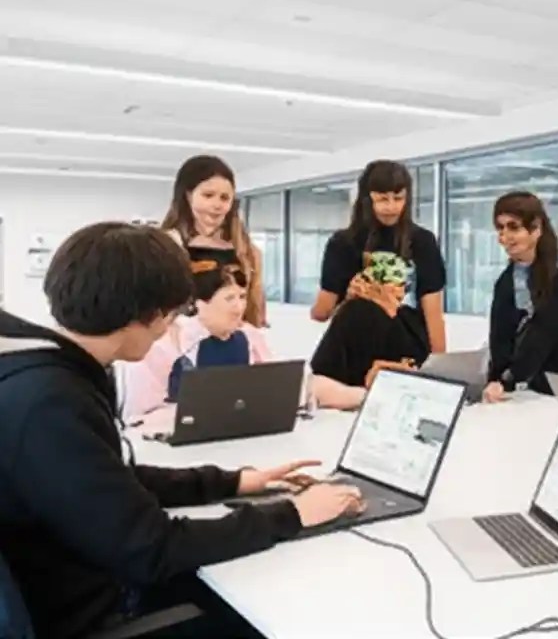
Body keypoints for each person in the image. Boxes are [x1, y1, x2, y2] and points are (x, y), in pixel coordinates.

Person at [0, 222, 364, 639]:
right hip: (94, 615)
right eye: (171, 315)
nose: (168, 329)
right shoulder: (50, 402)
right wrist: (292, 514)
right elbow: (152, 548)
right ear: (147, 314)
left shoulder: (45, 375)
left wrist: (236, 482)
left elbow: (107, 480)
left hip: (79, 583)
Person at [309, 160, 446, 409]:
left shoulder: (423, 242)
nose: (391, 207)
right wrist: (351, 293)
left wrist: (441, 372)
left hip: (406, 342)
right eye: (382, 199)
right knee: (360, 310)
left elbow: (433, 312)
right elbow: (320, 313)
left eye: (398, 198)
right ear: (366, 199)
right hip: (358, 341)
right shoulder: (343, 244)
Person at [121, 257, 273, 419]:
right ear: (199, 303)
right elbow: (140, 414)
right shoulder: (166, 343)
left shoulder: (250, 337)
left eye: (242, 297)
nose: (239, 307)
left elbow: (274, 385)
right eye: (229, 298)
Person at [483, 191, 558, 402]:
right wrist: (495, 380)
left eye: (513, 227)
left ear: (536, 229)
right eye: (500, 228)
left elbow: (543, 334)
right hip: (519, 390)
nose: (505, 237)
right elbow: (500, 338)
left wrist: (506, 381)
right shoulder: (507, 281)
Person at [161, 155, 267, 328]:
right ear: (188, 196)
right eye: (208, 195)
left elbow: (254, 310)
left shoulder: (247, 251)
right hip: (179, 343)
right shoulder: (168, 245)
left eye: (224, 198)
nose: (217, 205)